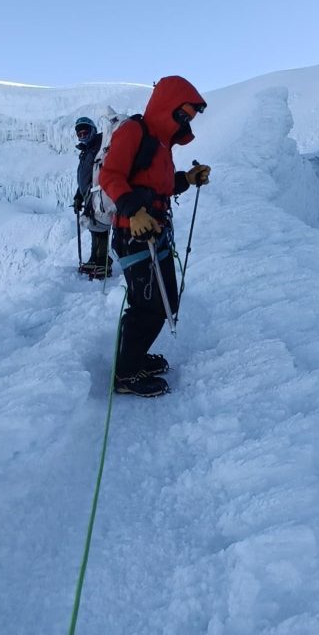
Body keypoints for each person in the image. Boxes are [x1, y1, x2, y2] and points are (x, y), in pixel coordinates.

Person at [99, 76, 211, 397]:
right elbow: (111, 175)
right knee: (148, 306)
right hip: (133, 234)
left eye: (188, 118)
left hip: (156, 232)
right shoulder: (135, 131)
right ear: (167, 106)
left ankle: (135, 357)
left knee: (162, 302)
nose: (185, 122)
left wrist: (187, 178)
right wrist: (134, 211)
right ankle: (127, 374)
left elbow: (159, 188)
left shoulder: (162, 146)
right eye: (182, 115)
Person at [72, 116, 113, 278]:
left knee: (100, 227)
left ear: (93, 130)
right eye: (80, 134)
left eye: (85, 132)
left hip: (98, 194)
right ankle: (95, 259)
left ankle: (103, 262)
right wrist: (78, 197)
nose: (83, 135)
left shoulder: (100, 147)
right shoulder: (87, 150)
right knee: (93, 227)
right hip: (89, 195)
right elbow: (84, 178)